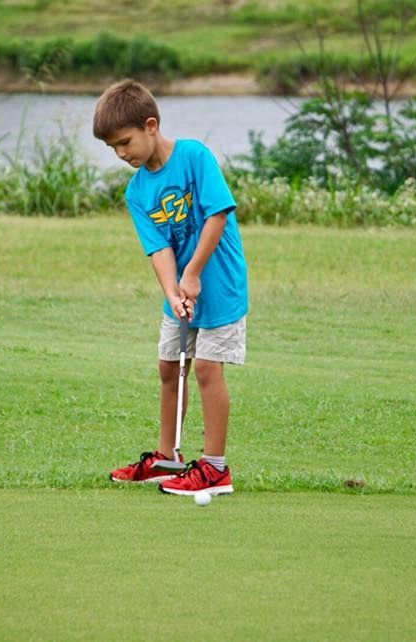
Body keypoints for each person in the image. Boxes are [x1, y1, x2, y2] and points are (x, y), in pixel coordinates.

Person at [92, 79, 248, 496]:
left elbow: (217, 215)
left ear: (150, 125)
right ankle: (167, 459)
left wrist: (193, 274)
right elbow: (158, 248)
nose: (121, 154)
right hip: (181, 290)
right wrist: (173, 290)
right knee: (168, 368)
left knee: (208, 370)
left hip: (220, 285)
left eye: (125, 142)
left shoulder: (194, 156)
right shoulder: (137, 190)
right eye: (112, 149)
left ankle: (215, 468)